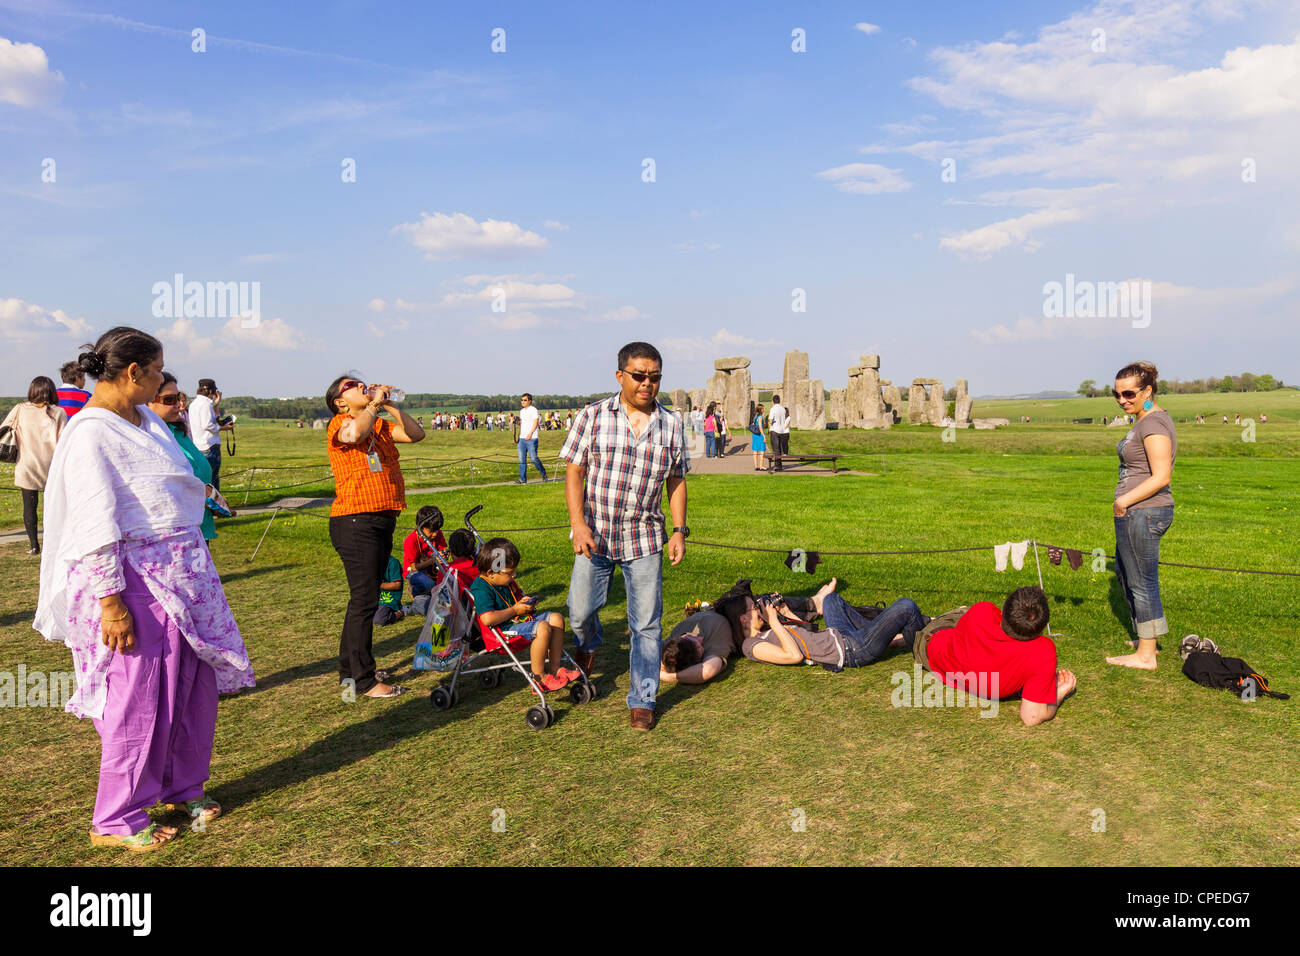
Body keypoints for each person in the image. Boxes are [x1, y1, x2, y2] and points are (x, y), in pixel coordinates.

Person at [34, 327, 254, 851]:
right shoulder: (91, 432)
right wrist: (111, 604)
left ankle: (182, 787)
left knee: (191, 687)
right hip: (132, 581)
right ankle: (117, 817)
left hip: (184, 575)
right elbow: (94, 522)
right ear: (133, 372)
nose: (162, 380)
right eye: (157, 370)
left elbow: (168, 483)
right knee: (137, 697)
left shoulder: (146, 418)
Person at [561, 341, 689, 731]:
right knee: (580, 611)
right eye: (639, 376)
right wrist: (578, 523)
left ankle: (643, 699)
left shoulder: (671, 425)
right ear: (620, 376)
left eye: (654, 377)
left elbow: (677, 479)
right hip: (595, 533)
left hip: (645, 537)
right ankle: (588, 644)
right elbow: (574, 471)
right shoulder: (593, 416)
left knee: (647, 624)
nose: (647, 384)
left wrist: (679, 530)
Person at [324, 375, 426, 699]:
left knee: (362, 601)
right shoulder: (340, 424)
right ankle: (364, 681)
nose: (362, 385)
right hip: (355, 521)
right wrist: (372, 405)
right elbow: (355, 433)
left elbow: (416, 434)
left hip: (381, 519)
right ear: (340, 401)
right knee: (366, 600)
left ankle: (349, 675)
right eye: (351, 385)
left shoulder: (378, 424)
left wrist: (390, 405)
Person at [912, 587, 1075, 726]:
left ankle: (929, 621)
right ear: (1041, 626)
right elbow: (1031, 717)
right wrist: (1057, 694)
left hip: (928, 648)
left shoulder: (982, 611)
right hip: (935, 645)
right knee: (964, 614)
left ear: (1004, 610)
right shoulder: (1043, 651)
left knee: (965, 611)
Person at [1105, 361, 1177, 671]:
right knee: (1128, 574)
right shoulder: (1144, 420)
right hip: (1137, 512)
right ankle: (1147, 640)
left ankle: (1146, 656)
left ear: (1147, 391)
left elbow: (1162, 476)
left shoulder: (1153, 424)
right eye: (1116, 394)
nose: (1122, 400)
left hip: (1144, 512)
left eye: (1129, 393)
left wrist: (1124, 501)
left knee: (1142, 581)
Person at [723, 579, 925, 672]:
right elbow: (794, 656)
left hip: (837, 633)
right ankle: (922, 649)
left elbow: (805, 632)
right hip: (850, 650)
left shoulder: (768, 630)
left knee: (831, 600)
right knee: (906, 606)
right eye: (754, 607)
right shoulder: (750, 646)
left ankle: (889, 637)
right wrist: (775, 621)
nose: (759, 607)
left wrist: (785, 613)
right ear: (743, 618)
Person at [468, 537, 577, 691]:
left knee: (557, 618)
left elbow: (514, 602)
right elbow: (487, 619)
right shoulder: (481, 588)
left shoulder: (503, 581)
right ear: (491, 573)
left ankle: (555, 669)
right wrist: (515, 610)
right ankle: (539, 678)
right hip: (504, 631)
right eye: (510, 572)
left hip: (519, 621)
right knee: (543, 628)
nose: (514, 576)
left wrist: (524, 604)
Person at [146, 372, 218, 542]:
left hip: (200, 522)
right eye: (170, 400)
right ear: (148, 401)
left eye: (178, 397)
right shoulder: (149, 436)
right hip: (177, 530)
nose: (179, 405)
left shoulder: (178, 430)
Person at [2, 376, 66, 554]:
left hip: (27, 464)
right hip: (52, 466)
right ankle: (54, 542)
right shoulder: (59, 412)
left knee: (29, 508)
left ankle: (33, 545)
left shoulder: (20, 409)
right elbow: (63, 442)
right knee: (53, 507)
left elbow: (4, 428)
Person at [188, 379, 232, 492]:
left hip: (199, 445)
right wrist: (223, 428)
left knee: (205, 481)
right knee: (213, 483)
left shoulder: (194, 404)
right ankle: (216, 508)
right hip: (210, 446)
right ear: (211, 391)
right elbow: (208, 425)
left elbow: (212, 418)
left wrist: (217, 402)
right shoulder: (206, 404)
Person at [402, 505, 448, 612]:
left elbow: (444, 549)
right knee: (428, 584)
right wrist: (434, 559)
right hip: (415, 572)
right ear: (421, 527)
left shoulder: (438, 534)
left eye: (437, 530)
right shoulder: (411, 540)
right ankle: (415, 592)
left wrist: (445, 555)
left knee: (448, 583)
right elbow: (414, 567)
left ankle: (425, 598)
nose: (435, 534)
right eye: (431, 531)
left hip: (432, 570)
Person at [516, 393, 548, 484]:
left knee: (533, 458)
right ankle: (523, 479)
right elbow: (524, 422)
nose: (523, 402)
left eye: (525, 400)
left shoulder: (533, 410)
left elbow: (535, 423)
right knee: (521, 459)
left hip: (532, 438)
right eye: (521, 400)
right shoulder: (522, 411)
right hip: (522, 438)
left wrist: (531, 433)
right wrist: (518, 423)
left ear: (529, 401)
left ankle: (543, 473)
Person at [374, 554, 407, 626]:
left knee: (379, 620)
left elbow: (397, 585)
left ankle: (399, 613)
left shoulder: (393, 562)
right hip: (375, 596)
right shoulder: (371, 562)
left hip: (388, 597)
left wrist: (377, 585)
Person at [768, 393, 790, 470]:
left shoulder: (773, 409)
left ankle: (777, 466)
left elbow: (770, 421)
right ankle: (779, 465)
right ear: (779, 401)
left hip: (774, 430)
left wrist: (772, 421)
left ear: (772, 401)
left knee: (775, 449)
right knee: (779, 448)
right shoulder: (783, 409)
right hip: (782, 430)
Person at [749, 403, 768, 471]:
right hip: (760, 435)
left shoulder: (755, 416)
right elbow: (760, 427)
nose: (764, 409)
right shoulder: (760, 417)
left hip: (755, 435)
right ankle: (761, 466)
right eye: (763, 408)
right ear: (760, 410)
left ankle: (756, 466)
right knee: (762, 450)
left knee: (755, 450)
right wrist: (764, 436)